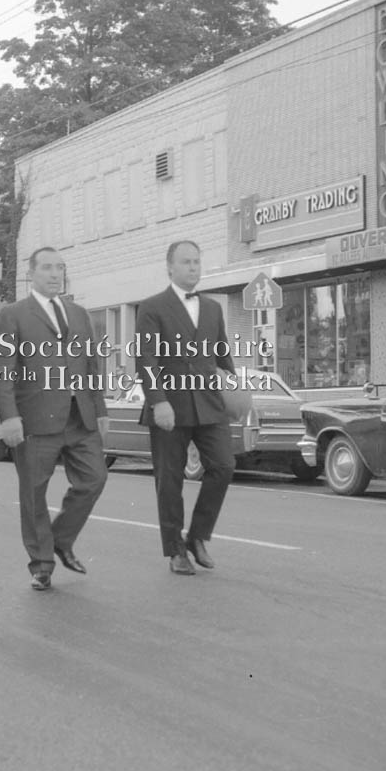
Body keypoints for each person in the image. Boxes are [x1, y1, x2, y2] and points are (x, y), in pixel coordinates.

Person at [0, 246, 109, 591]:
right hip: (35, 420)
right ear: (32, 273)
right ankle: (42, 564)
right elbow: (2, 371)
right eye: (47, 268)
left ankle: (59, 539)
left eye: (60, 268)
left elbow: (90, 365)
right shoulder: (13, 314)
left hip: (79, 416)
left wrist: (99, 408)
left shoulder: (79, 314)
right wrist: (9, 417)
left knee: (94, 480)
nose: (56, 274)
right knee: (33, 492)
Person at [135, 240, 237, 575]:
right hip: (170, 407)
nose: (193, 267)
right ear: (170, 267)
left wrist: (234, 387)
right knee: (169, 481)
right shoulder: (151, 307)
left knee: (223, 466)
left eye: (196, 261)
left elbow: (223, 357)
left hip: (209, 405)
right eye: (186, 262)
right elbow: (146, 359)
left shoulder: (212, 308)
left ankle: (197, 537)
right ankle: (175, 550)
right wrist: (158, 401)